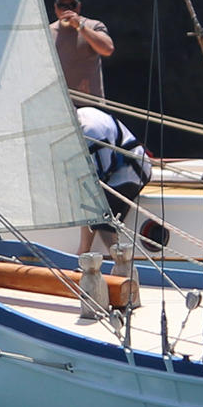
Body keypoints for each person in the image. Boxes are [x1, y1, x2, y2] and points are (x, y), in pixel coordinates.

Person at [76, 106, 151, 321]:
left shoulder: (90, 132)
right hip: (117, 171)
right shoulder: (82, 115)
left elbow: (101, 172)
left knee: (102, 218)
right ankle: (83, 254)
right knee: (89, 204)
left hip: (131, 172)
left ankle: (122, 266)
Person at [50, 0, 114, 101]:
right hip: (59, 104)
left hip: (90, 104)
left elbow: (108, 49)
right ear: (55, 8)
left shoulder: (94, 26)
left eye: (72, 5)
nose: (67, 10)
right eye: (62, 6)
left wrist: (80, 27)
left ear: (78, 7)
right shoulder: (47, 32)